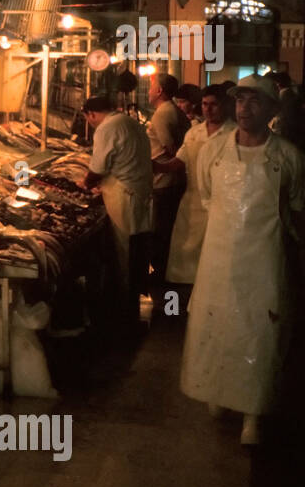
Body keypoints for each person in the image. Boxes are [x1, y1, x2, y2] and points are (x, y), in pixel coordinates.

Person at [180, 75, 305, 445]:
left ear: (271, 110)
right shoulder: (214, 152)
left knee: (259, 332)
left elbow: (296, 205)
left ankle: (253, 412)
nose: (245, 108)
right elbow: (206, 195)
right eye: (240, 101)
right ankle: (217, 391)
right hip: (219, 258)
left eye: (254, 102)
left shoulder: (288, 157)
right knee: (217, 324)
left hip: (265, 260)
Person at [82, 95, 153, 327]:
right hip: (138, 191)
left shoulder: (105, 128)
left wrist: (84, 185)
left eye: (88, 119)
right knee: (136, 249)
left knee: (125, 254)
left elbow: (98, 168)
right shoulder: (129, 121)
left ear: (91, 114)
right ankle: (130, 306)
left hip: (123, 194)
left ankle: (124, 316)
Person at [164, 83, 235, 286]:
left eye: (213, 105)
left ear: (225, 106)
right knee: (187, 256)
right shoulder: (194, 132)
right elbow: (178, 162)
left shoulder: (234, 134)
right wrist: (151, 166)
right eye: (204, 104)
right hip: (192, 200)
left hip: (222, 204)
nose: (208, 109)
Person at [147, 72, 190, 292]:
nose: (148, 90)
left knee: (161, 231)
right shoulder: (171, 111)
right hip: (171, 180)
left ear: (159, 91)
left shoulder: (162, 115)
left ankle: (161, 278)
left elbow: (171, 149)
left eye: (151, 86)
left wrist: (164, 167)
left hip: (164, 181)